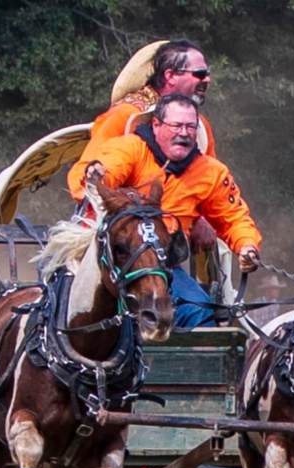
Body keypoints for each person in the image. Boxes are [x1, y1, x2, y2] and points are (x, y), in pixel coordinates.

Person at [75, 95, 262, 328]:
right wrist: (99, 174)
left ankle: (197, 364)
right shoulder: (130, 149)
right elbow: (103, 172)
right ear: (156, 125)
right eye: (176, 125)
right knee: (63, 299)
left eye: (190, 127)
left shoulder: (211, 173)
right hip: (108, 256)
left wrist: (247, 246)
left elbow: (234, 217)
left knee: (200, 313)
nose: (184, 133)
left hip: (163, 265)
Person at [67, 40, 219, 253]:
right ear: (170, 76)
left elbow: (209, 185)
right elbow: (81, 183)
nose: (207, 80)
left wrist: (202, 217)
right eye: (200, 74)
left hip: (165, 246)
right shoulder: (125, 115)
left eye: (207, 73)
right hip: (108, 244)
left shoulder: (200, 127)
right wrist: (130, 212)